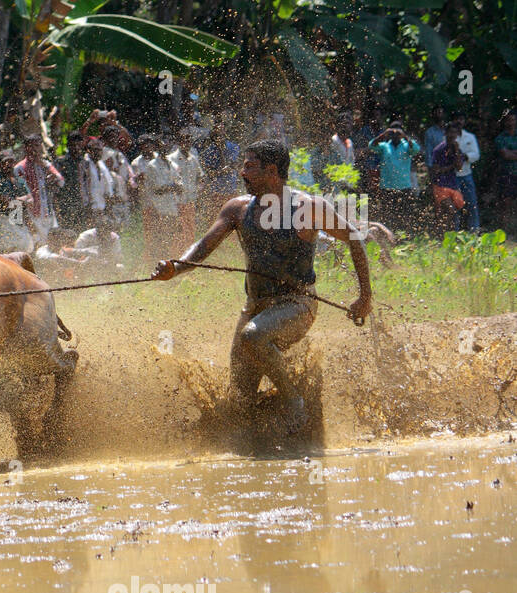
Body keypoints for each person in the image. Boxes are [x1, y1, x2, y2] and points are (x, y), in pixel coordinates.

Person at [152, 140, 373, 435]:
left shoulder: (309, 208)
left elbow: (355, 238)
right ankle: (259, 445)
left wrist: (365, 297)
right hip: (254, 306)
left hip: (298, 304)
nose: (242, 172)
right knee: (239, 400)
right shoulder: (237, 209)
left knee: (253, 337)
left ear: (271, 171)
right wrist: (175, 267)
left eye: (249, 166)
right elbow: (203, 247)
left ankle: (295, 401)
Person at [131, 134, 181, 270]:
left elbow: (177, 181)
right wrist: (171, 187)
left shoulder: (169, 163)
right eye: (162, 146)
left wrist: (175, 187)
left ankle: (170, 263)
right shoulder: (146, 164)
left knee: (170, 235)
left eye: (167, 146)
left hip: (169, 205)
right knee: (156, 237)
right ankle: (155, 264)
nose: (165, 148)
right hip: (153, 205)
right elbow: (153, 188)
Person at [13, 134, 64, 250]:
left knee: (54, 245)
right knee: (40, 246)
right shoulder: (19, 168)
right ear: (27, 148)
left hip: (49, 211)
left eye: (38, 146)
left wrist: (44, 167)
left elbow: (61, 181)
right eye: (33, 146)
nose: (36, 149)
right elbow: (20, 193)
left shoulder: (45, 164)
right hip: (34, 214)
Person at [367, 121, 420, 228]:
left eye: (398, 132)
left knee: (404, 215)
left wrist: (404, 136)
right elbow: (371, 146)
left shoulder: (406, 146)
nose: (395, 134)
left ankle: (403, 238)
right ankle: (389, 237)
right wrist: (383, 135)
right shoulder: (384, 146)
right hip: (387, 186)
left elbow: (416, 149)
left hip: (404, 186)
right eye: (393, 131)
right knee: (387, 215)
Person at [168, 128, 204, 249]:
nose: (186, 144)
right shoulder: (171, 158)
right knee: (178, 230)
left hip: (191, 199)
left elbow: (200, 176)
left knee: (190, 229)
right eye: (184, 141)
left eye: (189, 141)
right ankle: (176, 255)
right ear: (179, 142)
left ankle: (189, 256)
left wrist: (199, 189)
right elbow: (170, 179)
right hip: (177, 201)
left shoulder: (193, 158)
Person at [429, 123, 467, 236]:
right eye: (450, 132)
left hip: (452, 184)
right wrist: (451, 166)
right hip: (440, 185)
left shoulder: (457, 150)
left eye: (454, 133)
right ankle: (444, 235)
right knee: (450, 210)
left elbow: (459, 167)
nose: (452, 135)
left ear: (457, 135)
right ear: (445, 133)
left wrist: (456, 151)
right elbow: (436, 170)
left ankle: (446, 235)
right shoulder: (438, 149)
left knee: (452, 211)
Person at [452, 117, 482, 232]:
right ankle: (455, 232)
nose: (459, 121)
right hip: (453, 176)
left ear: (464, 122)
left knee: (472, 204)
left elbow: (476, 155)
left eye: (461, 120)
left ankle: (474, 231)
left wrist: (465, 157)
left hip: (466, 174)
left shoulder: (470, 137)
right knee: (455, 206)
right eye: (457, 119)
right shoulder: (448, 137)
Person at [495, 110, 517, 233]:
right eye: (508, 120)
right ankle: (503, 232)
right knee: (505, 204)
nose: (511, 122)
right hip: (507, 174)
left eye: (513, 119)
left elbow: (508, 153)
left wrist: (511, 153)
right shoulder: (500, 138)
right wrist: (510, 154)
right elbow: (505, 155)